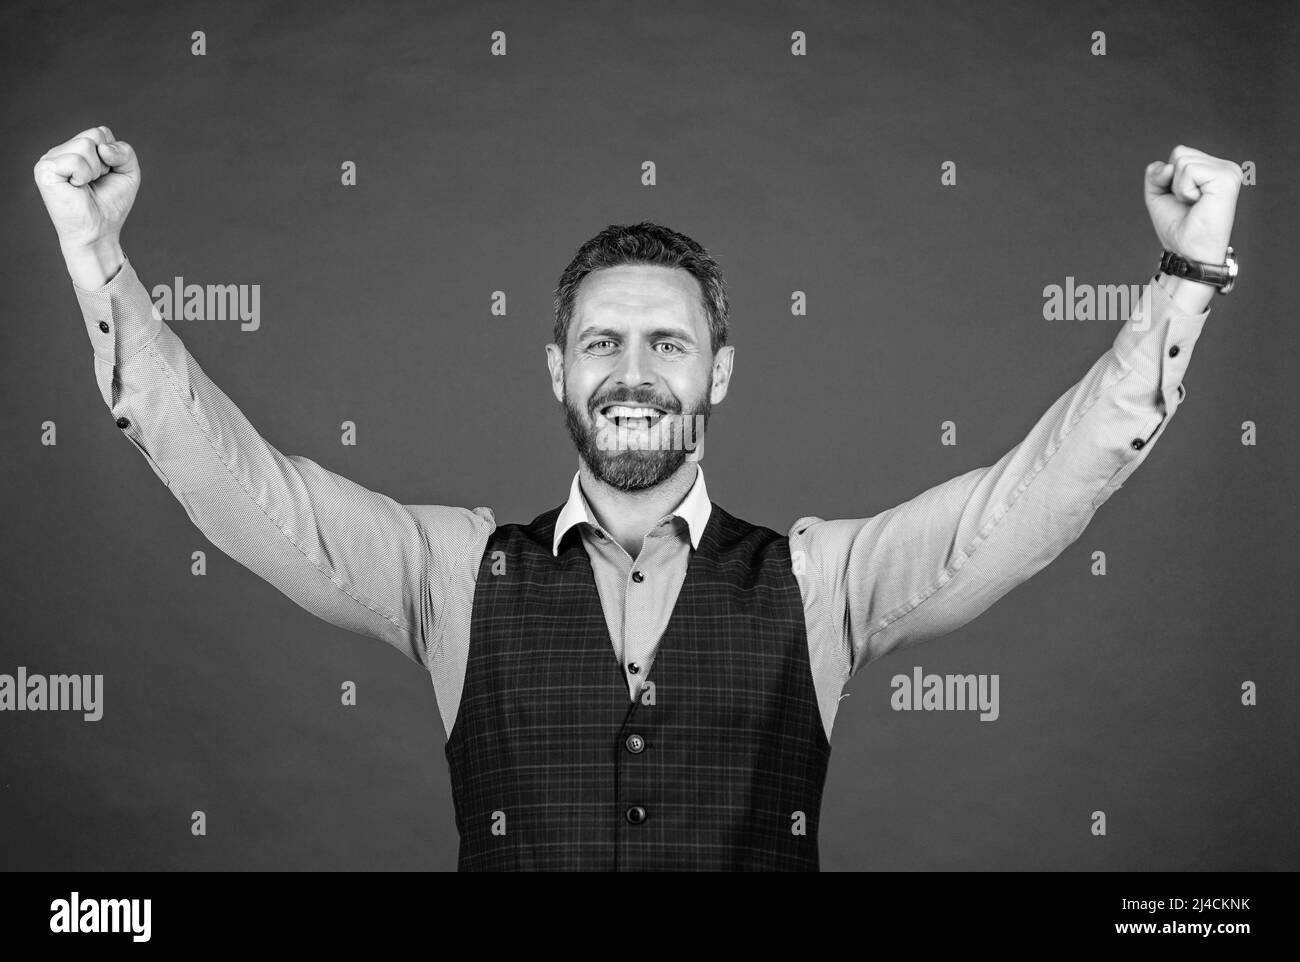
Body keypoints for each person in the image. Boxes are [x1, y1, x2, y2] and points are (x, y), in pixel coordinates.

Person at [33, 126, 1245, 871]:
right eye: (602, 341)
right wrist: (101, 258)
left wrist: (1185, 278)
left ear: (717, 370)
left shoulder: (819, 581)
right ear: (556, 368)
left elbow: (1021, 501)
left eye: (667, 343)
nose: (632, 370)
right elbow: (250, 490)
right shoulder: (453, 572)